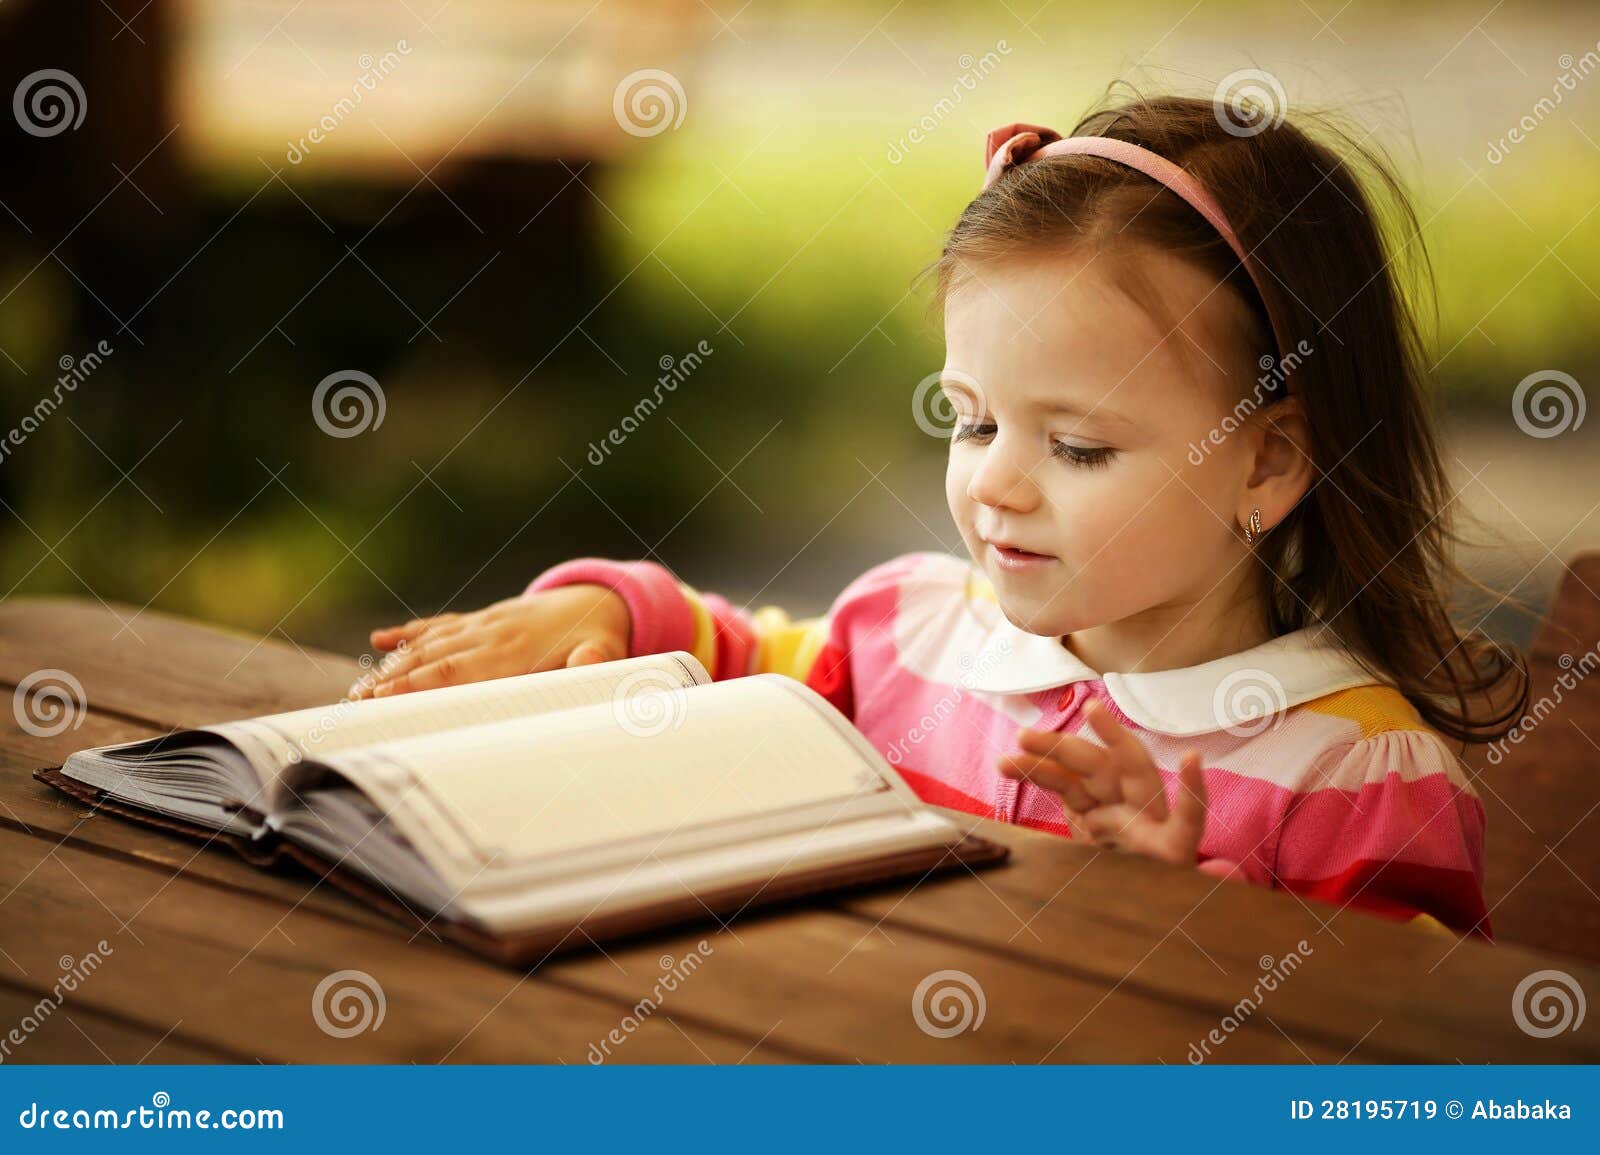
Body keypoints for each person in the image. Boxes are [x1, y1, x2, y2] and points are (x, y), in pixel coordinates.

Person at [353, 91, 1529, 941]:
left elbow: (1406, 1065)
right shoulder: (909, 640)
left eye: (1076, 445)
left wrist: (1196, 922)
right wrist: (619, 616)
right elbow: (754, 669)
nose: (994, 486)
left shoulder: (1353, 780)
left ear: (1264, 462)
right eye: (971, 422)